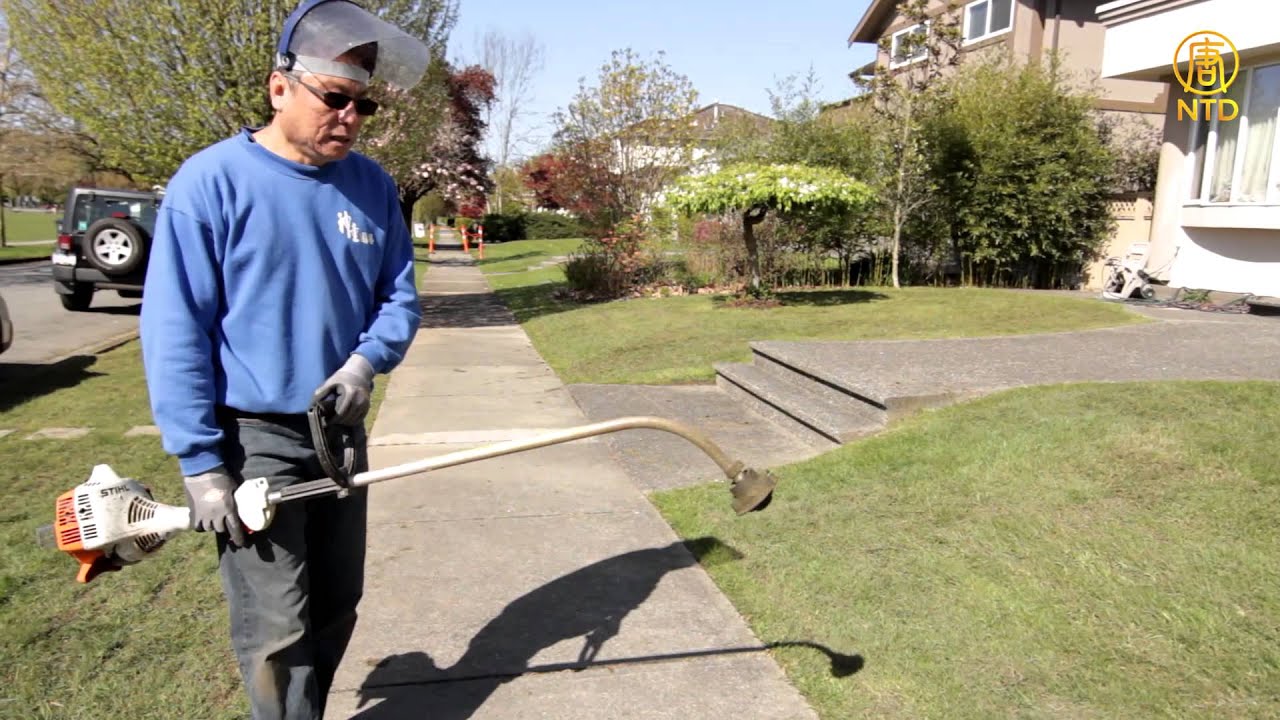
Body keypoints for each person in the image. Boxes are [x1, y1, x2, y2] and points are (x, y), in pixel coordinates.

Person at [139, 2, 429, 717]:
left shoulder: (371, 189)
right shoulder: (209, 185)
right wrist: (202, 466)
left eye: (360, 104)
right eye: (335, 98)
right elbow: (175, 329)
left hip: (339, 437)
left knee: (336, 603)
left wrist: (365, 365)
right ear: (280, 88)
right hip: (253, 440)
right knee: (276, 624)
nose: (351, 117)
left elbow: (399, 298)